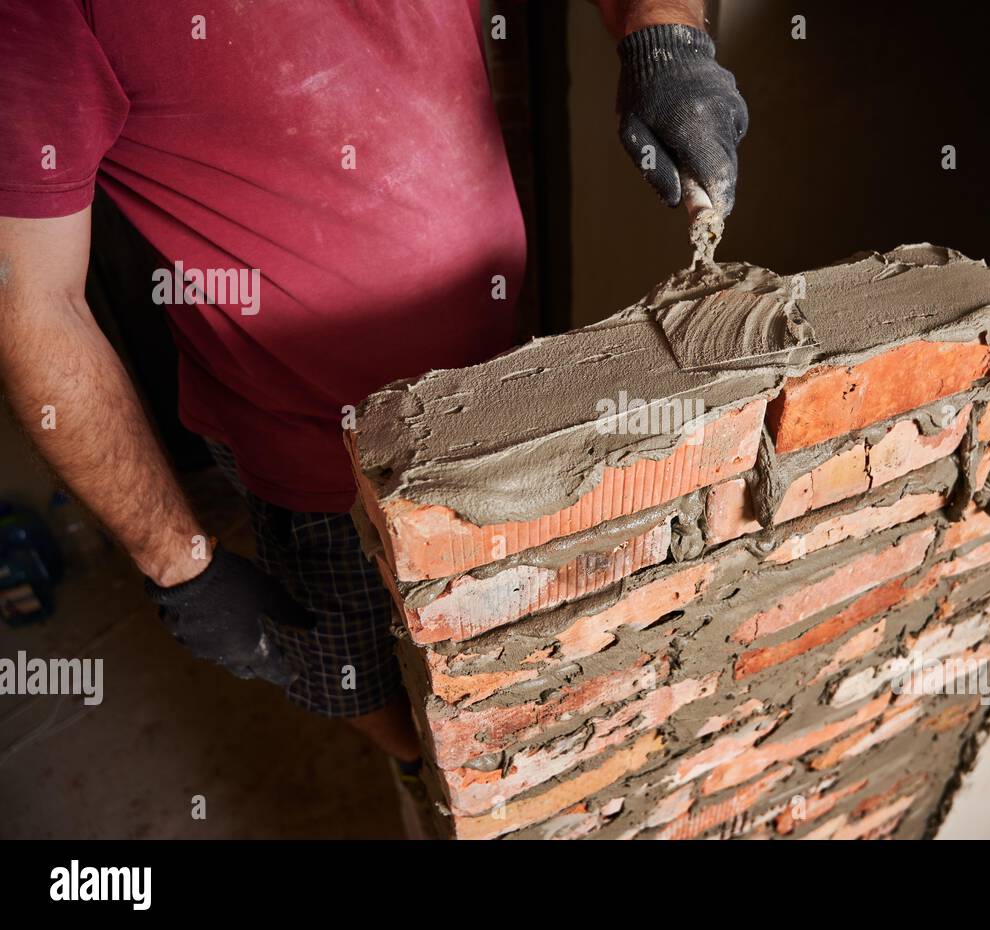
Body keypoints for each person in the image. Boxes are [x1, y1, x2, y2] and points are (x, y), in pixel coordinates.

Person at [0, 0, 747, 767]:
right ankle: (425, 777)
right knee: (359, 669)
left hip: (486, 382)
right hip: (316, 460)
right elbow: (30, 302)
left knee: (481, 639)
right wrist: (178, 565)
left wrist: (663, 35)